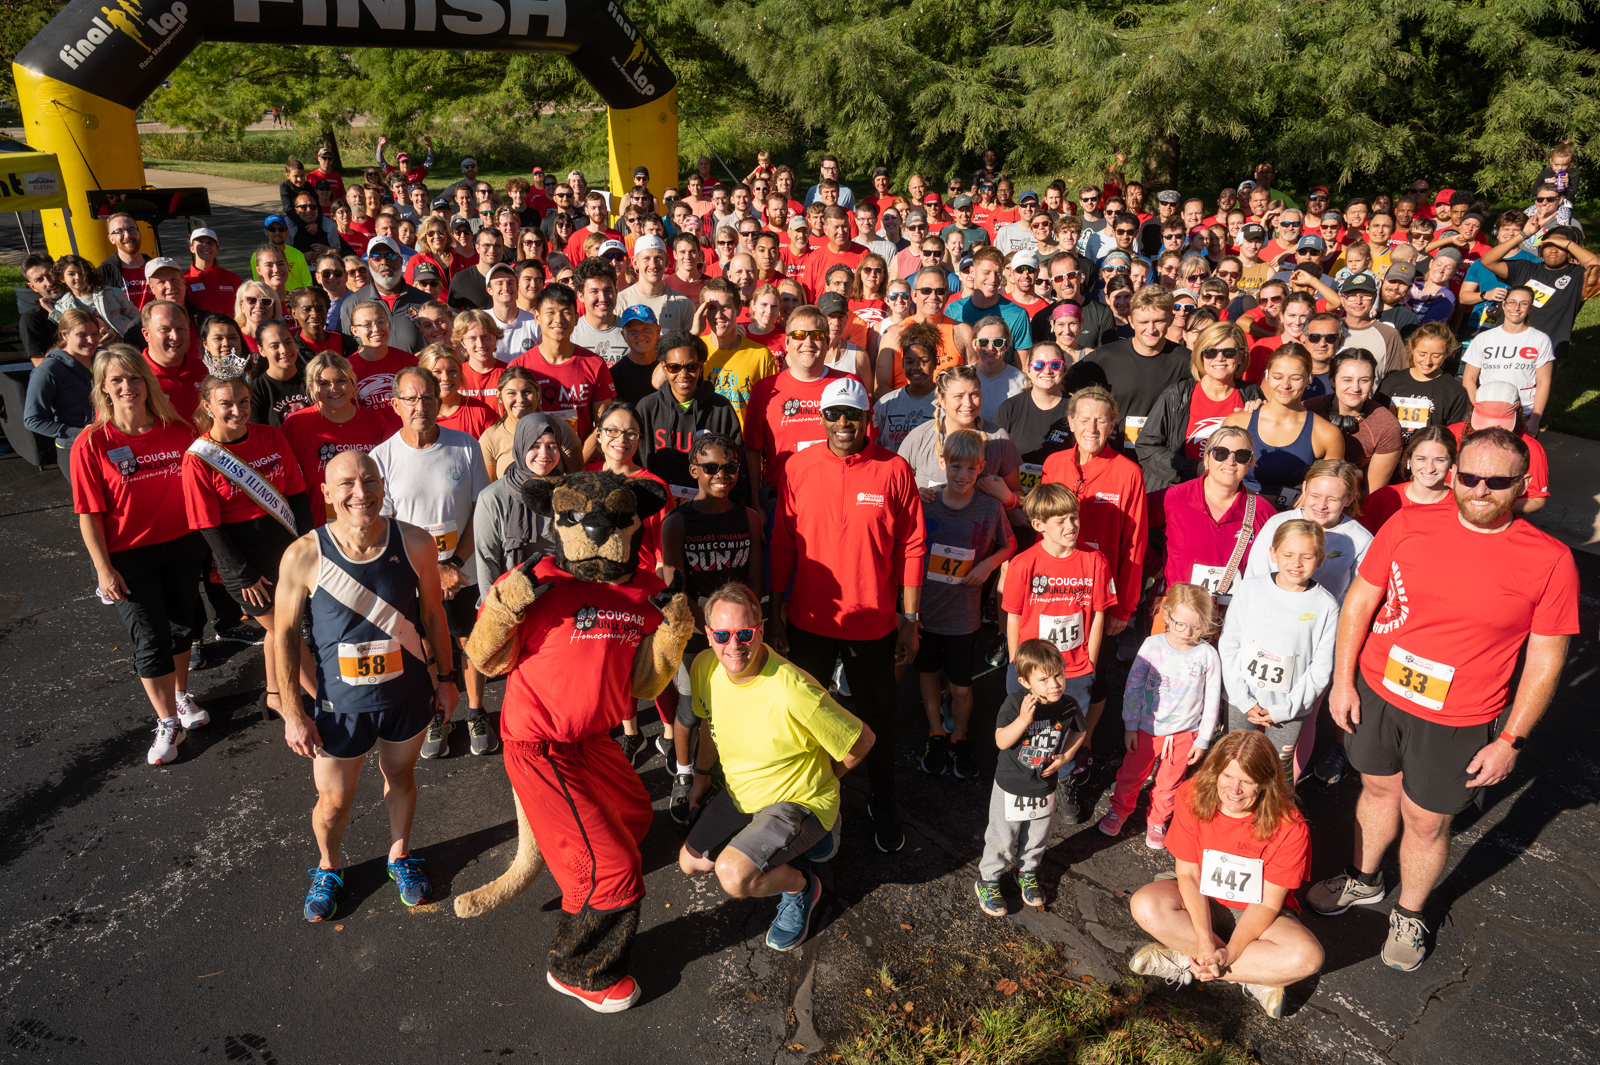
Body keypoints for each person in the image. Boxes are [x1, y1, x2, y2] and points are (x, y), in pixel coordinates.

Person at [1308, 428, 1578, 973]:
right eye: (1470, 476)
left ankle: (1410, 911)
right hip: (1378, 692)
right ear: (1454, 474)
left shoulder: (1550, 560)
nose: (1480, 490)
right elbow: (1361, 600)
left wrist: (1511, 740)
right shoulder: (1407, 523)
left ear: (1523, 485)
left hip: (1459, 717)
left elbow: (1546, 660)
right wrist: (1342, 681)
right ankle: (1364, 881)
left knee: (1427, 821)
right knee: (1378, 789)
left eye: (1497, 482)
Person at [271, 450, 458, 921]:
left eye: (369, 480)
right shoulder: (304, 554)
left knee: (401, 777)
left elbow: (434, 614)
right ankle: (328, 865)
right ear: (328, 494)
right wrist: (294, 713)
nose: (361, 493)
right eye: (348, 485)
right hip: (340, 708)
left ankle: (400, 856)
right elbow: (285, 636)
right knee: (334, 802)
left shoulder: (414, 542)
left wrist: (448, 680)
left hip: (406, 696)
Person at [770, 375, 924, 853]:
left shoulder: (893, 469)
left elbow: (914, 546)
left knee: (878, 715)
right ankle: (811, 802)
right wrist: (774, 611)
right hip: (808, 620)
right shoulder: (797, 467)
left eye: (851, 415)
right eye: (833, 414)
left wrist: (910, 618)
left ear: (867, 420)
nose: (842, 423)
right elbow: (781, 543)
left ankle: (883, 799)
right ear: (822, 418)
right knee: (808, 717)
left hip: (873, 623)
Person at [679, 581, 873, 952]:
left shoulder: (792, 689)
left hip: (797, 799)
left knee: (733, 876)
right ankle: (788, 843)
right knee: (691, 863)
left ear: (761, 629)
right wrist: (701, 779)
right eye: (721, 634)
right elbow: (707, 724)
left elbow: (862, 741)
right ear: (708, 635)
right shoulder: (705, 667)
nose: (733, 645)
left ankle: (801, 887)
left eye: (744, 633)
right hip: (743, 792)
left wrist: (826, 782)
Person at [72, 345, 210, 765]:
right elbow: (88, 515)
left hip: (184, 546)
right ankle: (167, 721)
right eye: (117, 380)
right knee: (150, 640)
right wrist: (103, 569)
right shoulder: (92, 443)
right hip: (130, 557)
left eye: (134, 378)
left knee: (183, 627)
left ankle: (181, 695)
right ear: (103, 389)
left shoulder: (179, 430)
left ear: (147, 383)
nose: (127, 387)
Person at [1127, 729, 1322, 1020]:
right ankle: (1259, 975)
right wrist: (1205, 940)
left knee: (1306, 957)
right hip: (1200, 896)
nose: (1234, 790)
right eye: (1228, 777)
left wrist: (1229, 954)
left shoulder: (1290, 826)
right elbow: (1189, 875)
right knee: (1145, 905)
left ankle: (1184, 959)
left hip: (1257, 913)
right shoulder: (1191, 793)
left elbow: (1268, 904)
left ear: (1266, 783)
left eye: (1247, 781)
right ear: (1215, 772)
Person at [371, 366, 495, 758]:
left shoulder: (465, 445)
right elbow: (387, 525)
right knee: (426, 647)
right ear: (395, 405)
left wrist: (455, 562)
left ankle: (476, 711)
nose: (420, 405)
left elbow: (480, 509)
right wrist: (430, 569)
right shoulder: (382, 457)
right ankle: (438, 715)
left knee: (469, 643)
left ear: (439, 401)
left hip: (463, 568)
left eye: (427, 396)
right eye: (410, 398)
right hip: (414, 572)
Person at [181, 356, 314, 719]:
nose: (237, 410)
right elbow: (208, 526)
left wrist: (307, 547)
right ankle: (326, 699)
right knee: (287, 632)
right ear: (208, 406)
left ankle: (274, 695)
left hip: (286, 551)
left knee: (278, 630)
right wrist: (241, 575)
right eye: (226, 404)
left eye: (243, 402)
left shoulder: (271, 435)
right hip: (245, 562)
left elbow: (297, 495)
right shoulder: (199, 459)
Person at [658, 433, 765, 821]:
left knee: (734, 703)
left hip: (737, 634)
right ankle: (684, 773)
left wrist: (746, 628)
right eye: (712, 467)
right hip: (697, 635)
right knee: (692, 707)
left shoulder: (748, 518)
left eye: (730, 467)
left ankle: (723, 769)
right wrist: (707, 629)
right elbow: (676, 589)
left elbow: (754, 585)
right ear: (694, 471)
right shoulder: (677, 523)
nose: (722, 474)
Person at [999, 483, 1114, 821]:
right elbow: (1014, 617)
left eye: (1074, 518)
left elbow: (1097, 616)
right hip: (1033, 669)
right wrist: (1013, 661)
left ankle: (1064, 780)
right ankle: (1021, 783)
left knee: (1063, 729)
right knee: (1030, 726)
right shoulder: (1023, 564)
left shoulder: (1094, 561)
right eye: (1060, 521)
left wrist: (1090, 662)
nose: (1070, 527)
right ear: (1038, 525)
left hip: (1075, 669)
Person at [913, 429, 1016, 778]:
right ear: (942, 463)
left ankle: (959, 737)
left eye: (971, 470)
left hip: (964, 616)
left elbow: (1009, 544)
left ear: (982, 468)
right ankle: (936, 732)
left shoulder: (989, 507)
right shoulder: (926, 504)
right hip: (927, 611)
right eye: (955, 467)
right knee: (928, 674)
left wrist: (988, 564)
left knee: (960, 686)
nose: (963, 476)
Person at [1103, 583, 1223, 847]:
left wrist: (1203, 739)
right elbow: (1133, 686)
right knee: (1131, 774)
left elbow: (1212, 700)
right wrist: (1130, 725)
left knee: (1170, 783)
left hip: (1184, 735)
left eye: (1195, 627)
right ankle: (1119, 809)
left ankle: (1158, 820)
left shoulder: (1207, 654)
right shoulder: (1152, 645)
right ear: (1167, 616)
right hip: (1146, 729)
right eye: (1179, 624)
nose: (1186, 632)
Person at [974, 639, 1088, 916]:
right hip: (1011, 784)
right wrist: (1023, 721)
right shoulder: (1015, 704)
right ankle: (988, 879)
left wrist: (1064, 757)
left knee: (1037, 836)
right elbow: (1001, 741)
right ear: (1025, 682)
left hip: (1044, 786)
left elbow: (1080, 731)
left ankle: (1026, 872)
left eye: (1058, 675)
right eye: (1044, 679)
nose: (1055, 684)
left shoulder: (1068, 705)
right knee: (1003, 836)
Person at [1221, 520, 1340, 781]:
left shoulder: (1326, 606)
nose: (1296, 564)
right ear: (1273, 553)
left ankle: (1269, 818)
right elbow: (1230, 644)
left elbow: (1321, 669)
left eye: (1306, 556)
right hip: (1243, 701)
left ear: (1319, 559)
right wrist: (1242, 698)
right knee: (1235, 762)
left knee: (1276, 772)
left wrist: (1285, 709)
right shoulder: (1250, 589)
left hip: (1289, 709)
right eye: (1287, 555)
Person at [1135, 321, 1261, 499]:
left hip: (1231, 496)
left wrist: (1261, 417)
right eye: (1210, 352)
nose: (1219, 358)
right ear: (1200, 356)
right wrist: (1196, 469)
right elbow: (1147, 446)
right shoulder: (1177, 395)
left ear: (1241, 356)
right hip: (1182, 493)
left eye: (1229, 352)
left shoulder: (1253, 395)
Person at [281, 353, 395, 528]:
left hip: (370, 527)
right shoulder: (296, 425)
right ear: (312, 387)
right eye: (324, 384)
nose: (334, 389)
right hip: (320, 531)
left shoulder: (376, 423)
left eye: (341, 381)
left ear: (352, 382)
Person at [1224, 346, 1343, 508]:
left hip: (1290, 523)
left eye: (1295, 378)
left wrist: (1312, 492)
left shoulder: (1327, 434)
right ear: (1266, 375)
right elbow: (1214, 473)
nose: (1285, 385)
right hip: (1236, 513)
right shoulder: (1237, 422)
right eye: (1278, 377)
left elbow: (1332, 490)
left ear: (1309, 379)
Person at [635, 331, 743, 505]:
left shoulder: (721, 408)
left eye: (691, 367)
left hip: (709, 509)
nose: (683, 375)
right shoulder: (646, 408)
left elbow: (737, 466)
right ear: (664, 368)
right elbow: (635, 464)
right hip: (657, 507)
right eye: (674, 367)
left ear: (700, 366)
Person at [1082, 285, 1190, 454]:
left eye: (1159, 321)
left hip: (1164, 460)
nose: (1151, 329)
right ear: (1131, 321)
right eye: (1144, 322)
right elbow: (1064, 392)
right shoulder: (1105, 356)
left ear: (1170, 319)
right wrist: (1094, 428)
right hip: (1115, 457)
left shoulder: (1187, 360)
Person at [510, 282, 617, 449]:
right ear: (537, 317)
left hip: (583, 466)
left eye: (566, 313)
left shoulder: (594, 364)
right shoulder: (519, 367)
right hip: (536, 463)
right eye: (551, 312)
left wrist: (577, 463)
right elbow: (512, 425)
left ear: (576, 318)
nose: (558, 320)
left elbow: (604, 424)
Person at [896, 366, 1024, 505]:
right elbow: (894, 488)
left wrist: (1008, 498)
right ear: (942, 400)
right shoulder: (919, 437)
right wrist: (912, 496)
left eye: (974, 395)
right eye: (958, 396)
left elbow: (1018, 494)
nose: (968, 403)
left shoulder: (999, 438)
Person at [472, 412, 566, 593]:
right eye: (535, 446)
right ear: (521, 446)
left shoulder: (568, 493)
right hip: (512, 603)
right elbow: (487, 562)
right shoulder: (493, 497)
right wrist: (495, 612)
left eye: (552, 446)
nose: (544, 454)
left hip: (561, 599)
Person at [1477, 221, 1598, 359]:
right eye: (1548, 245)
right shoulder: (1525, 267)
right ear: (1541, 249)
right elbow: (1488, 261)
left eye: (1560, 246)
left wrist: (1569, 244)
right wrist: (1524, 235)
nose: (1553, 250)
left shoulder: (1578, 276)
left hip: (1544, 352)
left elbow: (1597, 268)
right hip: (1504, 345)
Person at [1306, 350, 1403, 492]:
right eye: (1347, 379)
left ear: (1373, 381)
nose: (1356, 388)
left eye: (1364, 380)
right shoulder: (1308, 410)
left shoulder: (1387, 426)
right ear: (1332, 381)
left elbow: (1371, 492)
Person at [1460, 287, 1554, 432]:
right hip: (1486, 411)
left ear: (1530, 308)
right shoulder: (1484, 338)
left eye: (1523, 303)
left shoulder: (1540, 339)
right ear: (1503, 305)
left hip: (1523, 412)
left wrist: (1535, 419)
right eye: (1512, 302)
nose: (1516, 308)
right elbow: (1469, 378)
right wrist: (1476, 408)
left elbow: (1543, 382)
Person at [25, 309, 100, 479]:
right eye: (82, 335)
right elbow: (32, 420)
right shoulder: (48, 371)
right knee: (92, 504)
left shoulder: (102, 358)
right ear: (65, 335)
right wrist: (78, 433)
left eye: (95, 334)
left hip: (110, 442)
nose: (91, 340)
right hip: (74, 448)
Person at [1380, 322, 1471, 439]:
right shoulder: (1390, 381)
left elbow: (1456, 435)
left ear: (1447, 354)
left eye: (1436, 356)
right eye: (1422, 354)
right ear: (1412, 349)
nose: (1427, 361)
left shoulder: (1455, 392)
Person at [1359, 427, 1456, 535]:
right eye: (1421, 459)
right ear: (1410, 459)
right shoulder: (1381, 499)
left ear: (1451, 462)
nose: (1429, 468)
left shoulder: (1460, 506)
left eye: (1439, 460)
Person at [51, 253, 140, 344]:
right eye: (71, 274)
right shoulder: (63, 306)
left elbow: (135, 318)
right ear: (62, 278)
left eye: (82, 273)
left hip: (124, 345)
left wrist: (116, 331)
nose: (78, 277)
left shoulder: (112, 293)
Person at [618, 234, 694, 333]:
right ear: (635, 263)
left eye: (658, 258)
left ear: (667, 261)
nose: (653, 265)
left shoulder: (684, 305)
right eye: (646, 258)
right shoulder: (620, 302)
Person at [248, 320, 311, 427]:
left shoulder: (313, 380)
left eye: (288, 342)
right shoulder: (255, 391)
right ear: (261, 350)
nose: (284, 350)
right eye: (274, 346)